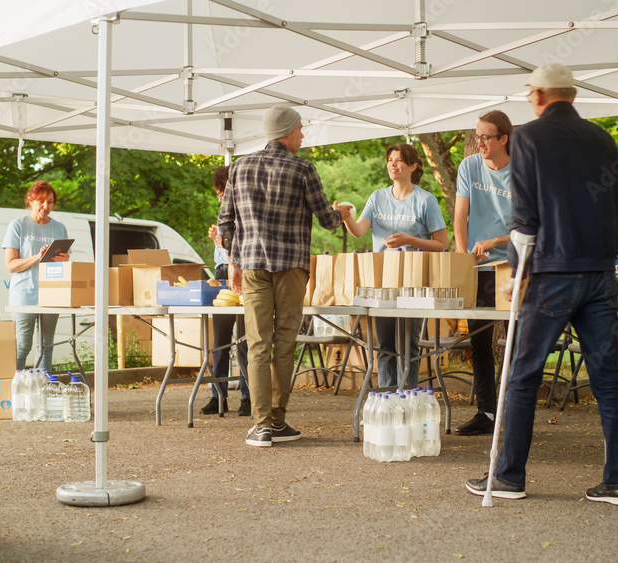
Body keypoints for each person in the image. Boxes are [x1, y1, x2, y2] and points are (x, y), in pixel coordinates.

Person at [466, 63, 618, 506]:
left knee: (522, 375)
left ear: (539, 96)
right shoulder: (603, 140)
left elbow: (524, 217)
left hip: (552, 275)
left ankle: (509, 477)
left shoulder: (527, 139)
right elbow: (616, 216)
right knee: (608, 379)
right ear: (572, 95)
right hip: (600, 273)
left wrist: (516, 275)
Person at [217, 105, 351, 447]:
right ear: (286, 132)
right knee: (284, 343)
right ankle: (276, 420)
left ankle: (261, 425)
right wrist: (342, 212)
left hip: (253, 267)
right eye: (300, 130)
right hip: (291, 266)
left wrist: (235, 257)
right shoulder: (303, 168)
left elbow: (225, 222)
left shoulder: (239, 167)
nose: (303, 135)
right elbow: (326, 219)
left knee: (258, 343)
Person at [342, 143, 448, 388]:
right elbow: (358, 231)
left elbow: (442, 243)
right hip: (383, 281)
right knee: (386, 344)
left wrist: (409, 240)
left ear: (412, 166)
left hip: (415, 282)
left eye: (399, 160)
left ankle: (408, 396)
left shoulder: (426, 201)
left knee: (408, 343)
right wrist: (346, 217)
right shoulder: (377, 197)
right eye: (390, 159)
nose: (393, 164)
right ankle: (388, 396)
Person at [452, 110, 513, 436]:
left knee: (517, 340)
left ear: (503, 138)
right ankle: (486, 413)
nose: (480, 143)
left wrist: (496, 240)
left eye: (486, 137)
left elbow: (531, 224)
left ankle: (513, 409)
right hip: (478, 268)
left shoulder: (522, 171)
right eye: (478, 136)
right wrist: (463, 255)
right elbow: (460, 215)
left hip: (513, 266)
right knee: (479, 341)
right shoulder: (469, 166)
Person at [2, 181, 70, 371]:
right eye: (41, 201)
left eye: (50, 202)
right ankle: (17, 389)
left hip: (52, 295)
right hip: (24, 295)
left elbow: (65, 265)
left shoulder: (60, 228)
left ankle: (44, 389)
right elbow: (10, 265)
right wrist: (37, 257)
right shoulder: (17, 225)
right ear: (30, 200)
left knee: (47, 347)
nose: (46, 207)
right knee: (22, 346)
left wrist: (64, 259)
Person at [200, 165, 251, 417]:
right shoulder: (223, 214)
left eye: (223, 193)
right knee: (220, 341)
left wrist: (225, 244)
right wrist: (217, 243)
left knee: (244, 340)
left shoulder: (247, 211)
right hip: (221, 274)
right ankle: (217, 396)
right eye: (219, 194)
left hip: (242, 274)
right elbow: (223, 254)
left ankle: (248, 396)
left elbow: (241, 249)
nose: (221, 199)